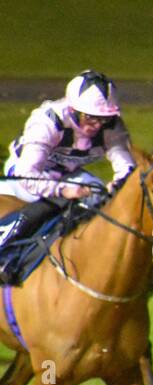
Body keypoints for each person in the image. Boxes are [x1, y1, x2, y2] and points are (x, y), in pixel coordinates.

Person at [0, 70, 133, 283]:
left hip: (69, 174)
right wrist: (62, 190)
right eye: (90, 117)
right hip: (26, 176)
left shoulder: (112, 126)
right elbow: (27, 173)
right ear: (73, 109)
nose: (97, 125)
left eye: (104, 119)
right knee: (54, 203)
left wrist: (118, 185)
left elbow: (126, 166)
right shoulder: (48, 121)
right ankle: (6, 255)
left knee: (101, 198)